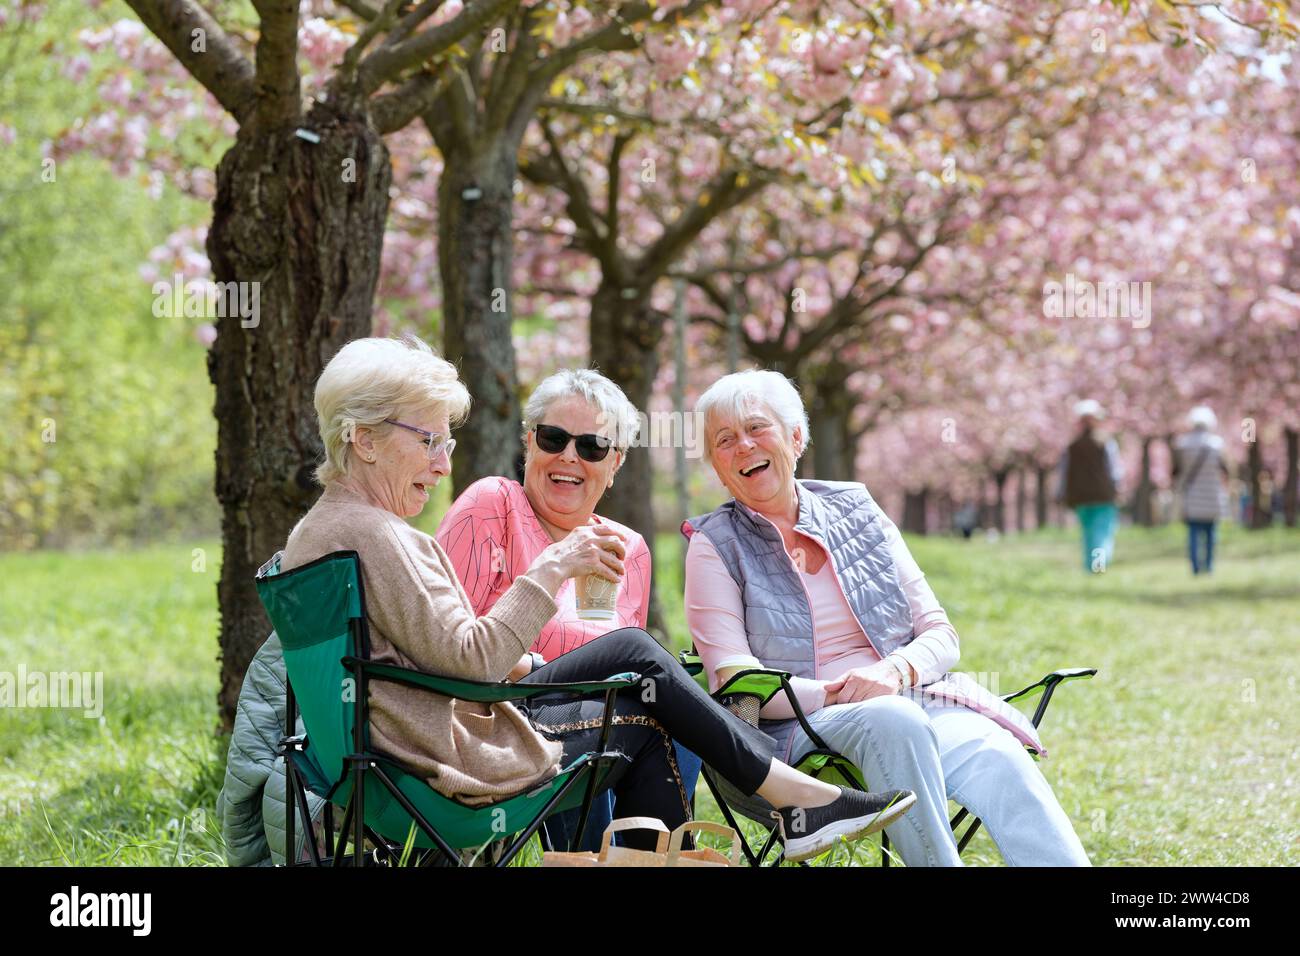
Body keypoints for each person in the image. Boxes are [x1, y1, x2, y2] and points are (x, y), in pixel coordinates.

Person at [278, 335, 914, 861]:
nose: (444, 464)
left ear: (615, 464)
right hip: (441, 754)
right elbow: (471, 660)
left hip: (395, 750)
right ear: (362, 439)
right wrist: (552, 568)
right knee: (640, 666)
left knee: (646, 687)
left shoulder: (332, 530)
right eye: (429, 442)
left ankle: (791, 800)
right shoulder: (380, 533)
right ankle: (792, 799)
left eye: (446, 444)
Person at [683, 369, 1090, 866]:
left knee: (996, 753)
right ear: (719, 469)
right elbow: (734, 677)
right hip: (801, 726)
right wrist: (835, 692)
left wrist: (893, 671)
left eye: (756, 428)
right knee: (893, 719)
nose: (744, 446)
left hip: (909, 694)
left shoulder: (857, 508)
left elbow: (939, 633)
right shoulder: (713, 545)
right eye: (725, 440)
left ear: (794, 437)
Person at [435, 367, 700, 850]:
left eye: (592, 447)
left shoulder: (627, 548)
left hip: (594, 727)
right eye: (554, 438)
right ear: (529, 442)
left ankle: (633, 859)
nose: (569, 457)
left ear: (615, 462)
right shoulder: (494, 505)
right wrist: (538, 666)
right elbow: (448, 643)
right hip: (491, 721)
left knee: (661, 712)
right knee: (656, 709)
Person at [1056, 399, 1123, 573]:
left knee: (1088, 532)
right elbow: (1114, 469)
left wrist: (1061, 493)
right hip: (1102, 495)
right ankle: (1098, 566)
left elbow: (1063, 472)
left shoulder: (1072, 446)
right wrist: (1117, 487)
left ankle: (1090, 566)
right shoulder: (1106, 442)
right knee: (1102, 531)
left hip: (1080, 496)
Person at [1172, 406, 1230, 574]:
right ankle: (1209, 565)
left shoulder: (1183, 444)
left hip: (1192, 493)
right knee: (1211, 532)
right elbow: (1226, 470)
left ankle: (1196, 567)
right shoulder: (1217, 445)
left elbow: (1176, 471)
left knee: (1193, 532)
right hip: (1213, 493)